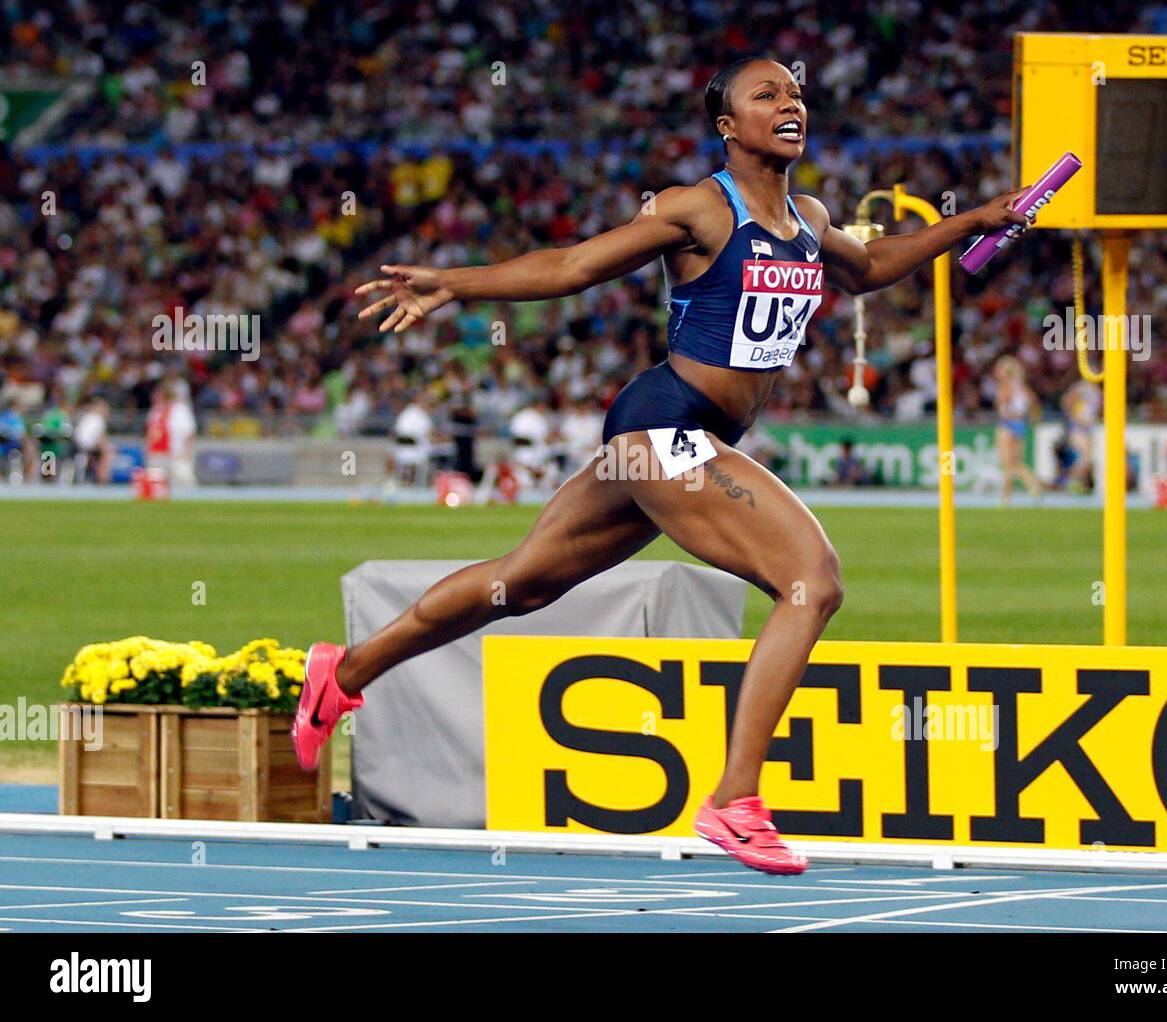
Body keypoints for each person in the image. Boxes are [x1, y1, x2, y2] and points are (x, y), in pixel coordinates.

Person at [293, 57, 1028, 875]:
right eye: (767, 96)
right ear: (728, 127)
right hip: (665, 427)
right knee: (811, 580)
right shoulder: (697, 210)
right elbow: (575, 266)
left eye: (796, 94)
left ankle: (342, 672)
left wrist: (975, 222)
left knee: (525, 581)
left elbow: (872, 269)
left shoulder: (810, 218)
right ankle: (735, 800)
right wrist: (456, 285)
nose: (791, 105)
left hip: (678, 439)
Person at [993, 355, 1042, 504]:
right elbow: (1034, 406)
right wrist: (1029, 419)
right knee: (1017, 463)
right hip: (1020, 425)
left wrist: (1009, 414)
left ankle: (1005, 497)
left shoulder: (1005, 388)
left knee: (1007, 464)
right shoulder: (1022, 388)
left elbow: (1003, 410)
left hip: (1007, 425)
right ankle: (1033, 487)